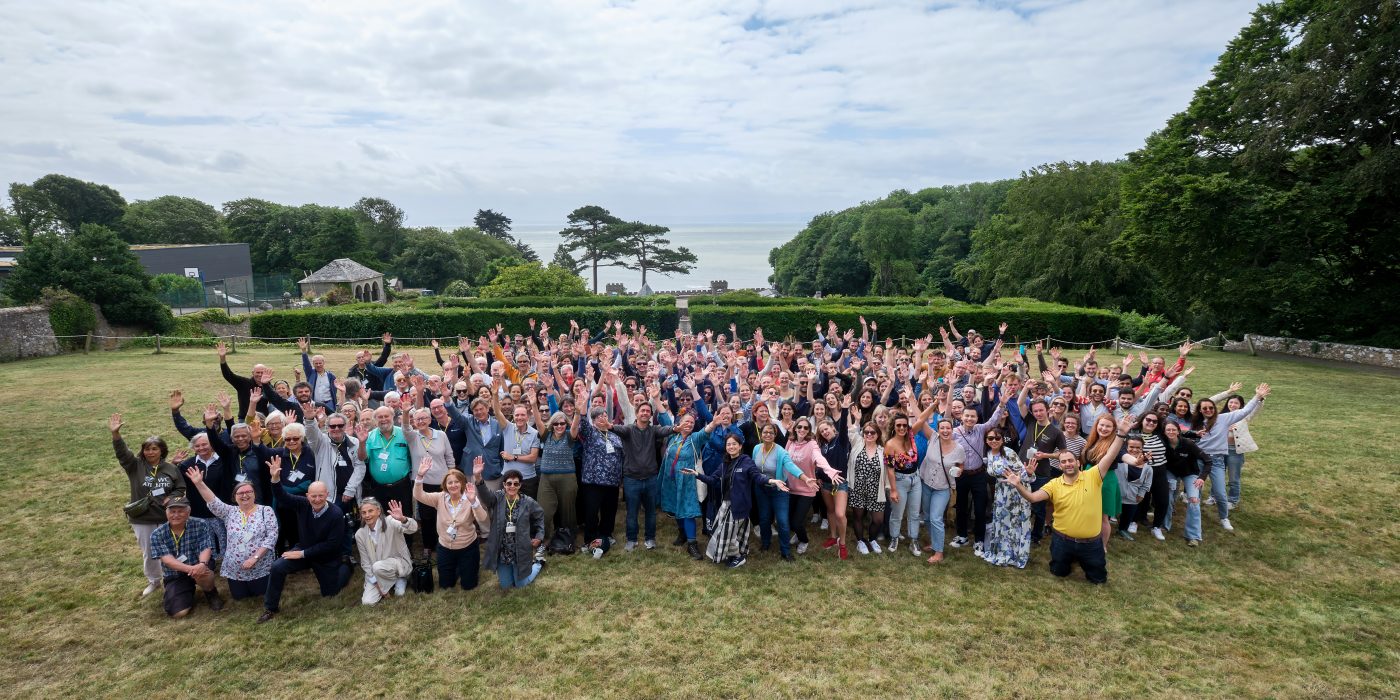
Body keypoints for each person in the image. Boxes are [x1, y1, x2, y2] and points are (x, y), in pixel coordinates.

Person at [1002, 415, 1132, 583]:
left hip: (1091, 544)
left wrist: (1121, 434)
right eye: (1063, 462)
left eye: (1071, 460)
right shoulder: (1054, 484)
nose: (1068, 464)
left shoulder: (1094, 475)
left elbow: (1110, 455)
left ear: (1078, 463)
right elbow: (1033, 498)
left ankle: (1086, 561)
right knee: (1058, 572)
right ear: (1060, 465)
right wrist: (1018, 485)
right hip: (1062, 541)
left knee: (1098, 579)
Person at [259, 456, 348, 623]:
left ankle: (346, 565)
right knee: (278, 567)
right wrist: (275, 478)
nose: (317, 499)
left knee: (331, 592)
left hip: (325, 557)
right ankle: (270, 608)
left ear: (327, 495)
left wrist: (302, 554)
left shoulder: (336, 514)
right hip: (304, 549)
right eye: (313, 496)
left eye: (321, 496)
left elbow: (332, 545)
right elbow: (282, 497)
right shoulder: (302, 504)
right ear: (307, 496)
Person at [110, 413, 185, 597]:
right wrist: (116, 435)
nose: (150, 452)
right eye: (147, 449)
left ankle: (173, 578)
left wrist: (172, 498)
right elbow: (122, 453)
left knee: (171, 548)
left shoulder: (171, 468)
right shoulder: (135, 466)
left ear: (162, 451)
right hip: (142, 518)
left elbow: (180, 487)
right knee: (149, 551)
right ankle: (154, 581)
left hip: (166, 517)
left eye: (154, 449)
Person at [185, 466, 277, 601]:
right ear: (234, 497)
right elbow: (213, 501)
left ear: (254, 494)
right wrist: (199, 483)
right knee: (239, 597)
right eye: (240, 493)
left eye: (248, 491)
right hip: (235, 567)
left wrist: (255, 558)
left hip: (260, 564)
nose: (245, 495)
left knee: (259, 594)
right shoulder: (230, 512)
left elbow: (271, 537)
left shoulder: (266, 511)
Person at [698, 434, 784, 568]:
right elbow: (712, 479)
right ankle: (736, 554)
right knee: (728, 531)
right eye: (728, 444)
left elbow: (757, 477)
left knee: (729, 532)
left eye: (734, 444)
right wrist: (696, 475)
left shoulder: (746, 461)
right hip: (726, 504)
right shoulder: (725, 463)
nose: (731, 447)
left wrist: (771, 480)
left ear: (740, 446)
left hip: (739, 505)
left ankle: (738, 557)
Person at [1193, 384, 1270, 531]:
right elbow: (1208, 401)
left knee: (1221, 493)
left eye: (1211, 407)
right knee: (1195, 491)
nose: (1208, 410)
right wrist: (1227, 392)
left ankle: (1224, 518)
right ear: (1200, 410)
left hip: (1216, 461)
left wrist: (1258, 396)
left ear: (1215, 409)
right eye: (1205, 408)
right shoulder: (1195, 420)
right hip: (1198, 460)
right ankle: (1194, 517)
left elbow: (1246, 410)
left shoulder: (1224, 418)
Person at [415, 460, 490, 591]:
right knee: (446, 585)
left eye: (457, 482)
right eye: (450, 482)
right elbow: (418, 495)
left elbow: (483, 519)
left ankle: (465, 567)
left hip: (467, 547)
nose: (453, 485)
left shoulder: (470, 497)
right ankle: (457, 567)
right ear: (445, 485)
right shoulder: (440, 497)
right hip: (445, 547)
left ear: (462, 483)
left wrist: (473, 502)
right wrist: (420, 476)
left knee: (469, 586)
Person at [148, 497, 224, 617]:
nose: (176, 515)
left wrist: (202, 564)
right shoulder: (157, 534)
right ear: (166, 513)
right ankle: (185, 592)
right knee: (179, 613)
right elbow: (168, 560)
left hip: (199, 565)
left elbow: (205, 547)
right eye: (172, 512)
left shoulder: (200, 524)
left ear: (188, 512)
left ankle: (211, 592)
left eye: (180, 511)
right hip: (175, 573)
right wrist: (190, 569)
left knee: (204, 572)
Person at [659, 410, 718, 560]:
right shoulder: (673, 435)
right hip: (671, 479)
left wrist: (714, 423)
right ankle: (682, 533)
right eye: (686, 421)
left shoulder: (695, 439)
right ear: (679, 423)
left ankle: (692, 544)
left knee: (688, 510)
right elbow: (664, 417)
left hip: (687, 480)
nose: (689, 424)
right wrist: (656, 398)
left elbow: (706, 431)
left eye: (692, 422)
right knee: (675, 506)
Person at [356, 406, 415, 551]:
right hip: (379, 487)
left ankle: (407, 548)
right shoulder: (370, 436)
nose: (383, 420)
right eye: (380, 417)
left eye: (386, 416)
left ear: (392, 417)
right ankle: (386, 548)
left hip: (401, 485)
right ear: (375, 420)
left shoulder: (404, 434)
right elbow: (362, 458)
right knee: (381, 517)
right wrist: (362, 442)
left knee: (404, 515)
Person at [479, 469, 546, 590]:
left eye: (516, 483)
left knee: (521, 585)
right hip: (502, 550)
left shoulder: (527, 501)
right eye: (509, 483)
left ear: (520, 485)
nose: (512, 486)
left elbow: (540, 515)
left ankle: (538, 563)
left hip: (520, 550)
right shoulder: (498, 497)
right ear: (504, 484)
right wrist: (478, 477)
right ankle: (514, 570)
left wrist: (539, 535)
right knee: (506, 586)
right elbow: (486, 498)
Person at [980, 429, 1034, 569]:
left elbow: (1022, 472)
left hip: (1017, 491)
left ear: (1002, 440)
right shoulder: (988, 454)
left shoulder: (1009, 453)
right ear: (986, 440)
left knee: (1015, 524)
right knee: (1003, 522)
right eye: (990, 438)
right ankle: (1001, 552)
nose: (994, 441)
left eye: (997, 438)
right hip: (1001, 493)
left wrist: (1027, 472)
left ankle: (1015, 556)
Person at [405, 406, 455, 559]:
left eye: (423, 418)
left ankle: (444, 541)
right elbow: (405, 427)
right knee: (426, 516)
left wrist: (452, 476)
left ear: (430, 419)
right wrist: (406, 412)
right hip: (422, 482)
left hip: (442, 482)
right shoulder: (412, 436)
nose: (420, 421)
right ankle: (428, 545)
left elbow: (449, 456)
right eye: (417, 419)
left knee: (444, 513)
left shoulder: (441, 435)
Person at [354, 497, 418, 605]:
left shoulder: (390, 521)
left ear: (378, 511)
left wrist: (403, 519)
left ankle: (400, 578)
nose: (367, 515)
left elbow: (412, 528)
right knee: (367, 602)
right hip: (377, 572)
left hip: (397, 565)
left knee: (378, 567)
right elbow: (365, 563)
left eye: (370, 511)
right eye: (364, 512)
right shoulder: (359, 534)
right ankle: (390, 584)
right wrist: (379, 587)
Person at [915, 417, 961, 564]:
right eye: (942, 428)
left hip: (943, 488)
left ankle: (939, 552)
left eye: (948, 428)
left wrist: (959, 471)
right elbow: (921, 419)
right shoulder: (933, 438)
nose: (945, 431)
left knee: (936, 518)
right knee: (927, 517)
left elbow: (961, 465)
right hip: (926, 484)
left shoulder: (958, 448)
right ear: (938, 430)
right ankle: (934, 543)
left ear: (952, 430)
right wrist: (911, 398)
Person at [534, 410, 580, 552]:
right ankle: (546, 538)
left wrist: (578, 411)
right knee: (544, 511)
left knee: (568, 511)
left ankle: (569, 538)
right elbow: (538, 422)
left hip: (567, 478)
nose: (559, 426)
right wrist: (534, 405)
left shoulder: (569, 436)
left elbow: (575, 426)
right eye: (556, 424)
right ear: (552, 425)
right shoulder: (546, 436)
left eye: (562, 423)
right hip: (546, 479)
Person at [1159, 421, 1209, 546]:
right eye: (1168, 430)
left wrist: (1202, 477)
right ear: (1164, 432)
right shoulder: (1163, 444)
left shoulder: (1188, 444)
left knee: (1193, 500)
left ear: (1178, 431)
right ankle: (1165, 526)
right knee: (1168, 497)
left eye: (1173, 430)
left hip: (1190, 473)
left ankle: (1193, 536)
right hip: (1171, 473)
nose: (1171, 432)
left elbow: (1208, 461)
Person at [846, 421, 888, 555]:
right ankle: (860, 541)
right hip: (857, 487)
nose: (869, 434)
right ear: (863, 434)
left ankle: (872, 539)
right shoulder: (857, 444)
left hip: (876, 489)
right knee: (858, 517)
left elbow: (888, 470)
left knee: (878, 520)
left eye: (872, 432)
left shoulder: (883, 450)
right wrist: (855, 419)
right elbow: (851, 431)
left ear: (878, 434)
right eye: (866, 432)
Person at [883, 410, 921, 555]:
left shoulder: (910, 437)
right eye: (899, 425)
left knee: (914, 513)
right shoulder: (890, 444)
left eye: (905, 425)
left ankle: (914, 540)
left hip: (916, 479)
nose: (902, 428)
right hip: (900, 481)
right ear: (893, 426)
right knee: (897, 513)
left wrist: (935, 404)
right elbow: (890, 470)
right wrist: (893, 490)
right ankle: (894, 538)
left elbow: (922, 418)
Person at [1115, 437, 1154, 541]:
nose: (1135, 450)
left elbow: (1147, 483)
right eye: (1131, 447)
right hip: (1116, 494)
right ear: (1126, 447)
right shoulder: (1119, 461)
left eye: (1138, 447)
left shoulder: (1148, 467)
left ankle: (1123, 529)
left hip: (1133, 496)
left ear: (1142, 448)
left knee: (1127, 516)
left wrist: (1141, 494)